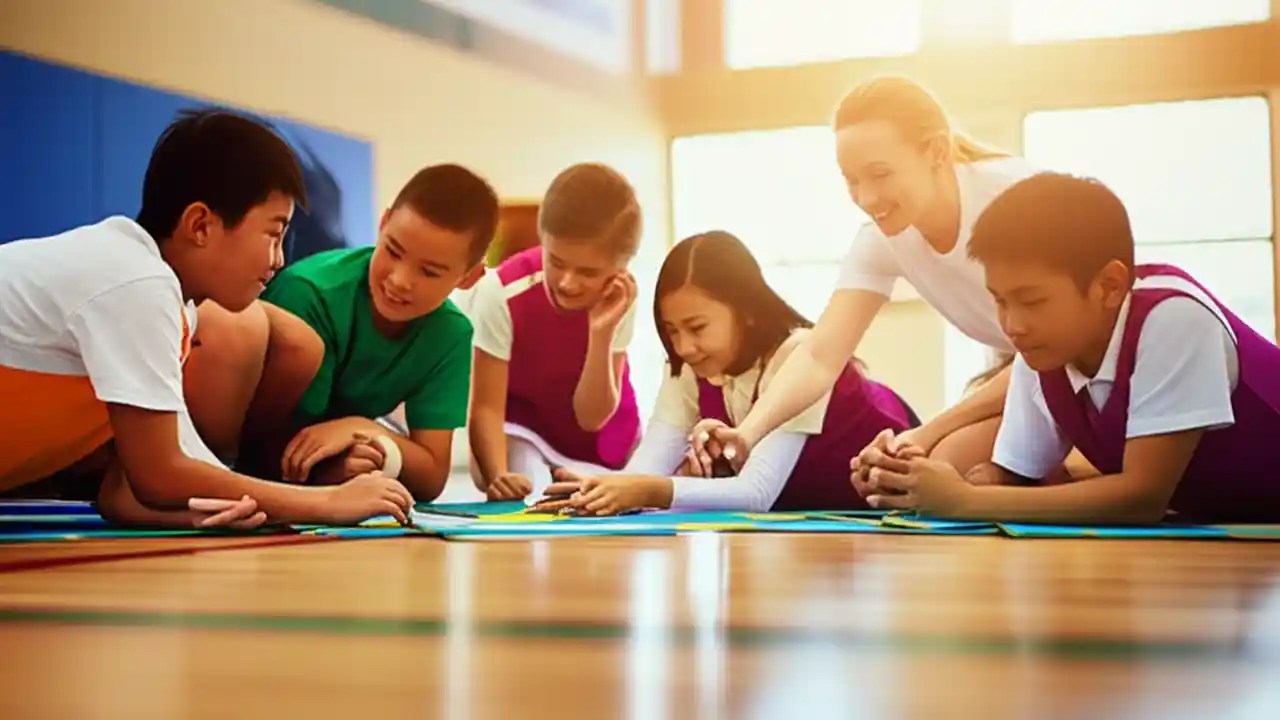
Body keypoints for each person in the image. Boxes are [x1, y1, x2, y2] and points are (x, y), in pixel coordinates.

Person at [0, 110, 412, 527]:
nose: (279, 259)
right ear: (200, 224)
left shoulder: (170, 302)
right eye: (274, 234)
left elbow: (124, 492)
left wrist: (230, 509)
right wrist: (326, 503)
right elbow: (159, 476)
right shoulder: (135, 283)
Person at [857, 172, 1280, 524]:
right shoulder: (1043, 353)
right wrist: (911, 480)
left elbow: (1142, 496)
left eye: (1033, 301)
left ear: (1109, 287)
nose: (1012, 326)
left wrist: (964, 500)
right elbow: (1012, 478)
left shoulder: (1174, 320)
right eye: (1000, 300)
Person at [692, 76, 1035, 477]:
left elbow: (1049, 351)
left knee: (948, 467)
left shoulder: (1014, 199)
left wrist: (925, 433)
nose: (866, 199)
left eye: (880, 174)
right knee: (929, 470)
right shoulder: (881, 239)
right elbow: (821, 355)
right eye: (852, 180)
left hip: (1094, 371)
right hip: (1031, 376)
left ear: (937, 151)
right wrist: (746, 434)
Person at [534, 231, 917, 516]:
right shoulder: (688, 366)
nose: (683, 346)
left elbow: (756, 493)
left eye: (697, 327)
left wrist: (642, 490)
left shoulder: (797, 358)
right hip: (815, 519)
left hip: (895, 489)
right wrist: (594, 492)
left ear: (746, 312)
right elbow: (645, 471)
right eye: (671, 330)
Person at [186, 164, 498, 504]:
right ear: (384, 222)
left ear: (468, 277)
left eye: (429, 271)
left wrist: (367, 433)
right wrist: (336, 468)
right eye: (392, 250)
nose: (399, 280)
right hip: (225, 458)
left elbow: (432, 476)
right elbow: (257, 452)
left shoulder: (450, 333)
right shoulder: (310, 293)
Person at [468, 163, 643, 501]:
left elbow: (592, 418)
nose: (567, 282)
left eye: (588, 272)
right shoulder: (502, 290)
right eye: (557, 261)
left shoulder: (620, 296)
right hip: (524, 430)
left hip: (599, 434)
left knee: (600, 492)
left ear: (619, 268)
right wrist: (497, 476)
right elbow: (486, 406)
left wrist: (601, 332)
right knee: (525, 481)